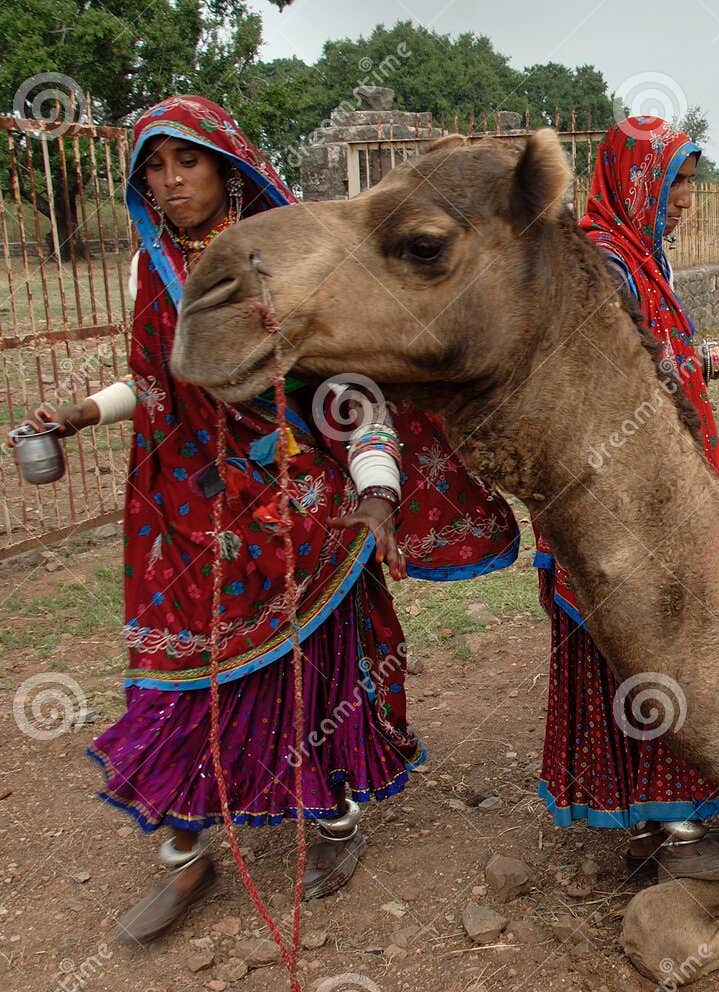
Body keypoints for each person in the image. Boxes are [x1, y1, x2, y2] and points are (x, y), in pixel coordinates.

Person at [17, 96, 517, 944]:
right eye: (154, 170)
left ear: (227, 167)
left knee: (309, 679)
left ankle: (333, 820)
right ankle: (183, 854)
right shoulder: (150, 269)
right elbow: (155, 386)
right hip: (178, 519)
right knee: (171, 679)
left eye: (187, 163)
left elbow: (343, 391)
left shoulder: (289, 263)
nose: (170, 184)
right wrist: (79, 412)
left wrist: (377, 493)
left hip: (292, 515)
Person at [534, 116, 719, 881]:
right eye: (676, 182)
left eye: (690, 182)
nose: (687, 199)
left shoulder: (637, 260)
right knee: (649, 652)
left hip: (642, 502)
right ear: (635, 182)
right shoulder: (602, 269)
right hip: (616, 513)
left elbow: (670, 366)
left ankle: (652, 833)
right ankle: (676, 836)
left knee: (656, 651)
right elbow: (608, 393)